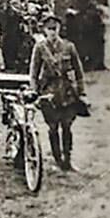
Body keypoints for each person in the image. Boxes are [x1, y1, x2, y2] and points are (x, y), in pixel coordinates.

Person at [30, 15, 86, 172]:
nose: (53, 32)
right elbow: (33, 74)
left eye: (55, 29)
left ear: (59, 29)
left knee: (67, 126)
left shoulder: (69, 47)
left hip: (67, 92)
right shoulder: (40, 48)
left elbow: (79, 72)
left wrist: (81, 92)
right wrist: (34, 92)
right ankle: (58, 159)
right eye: (49, 29)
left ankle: (68, 160)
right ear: (44, 30)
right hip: (49, 92)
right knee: (53, 127)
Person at [71, 0, 108, 71]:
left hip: (97, 16)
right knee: (85, 40)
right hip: (84, 17)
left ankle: (99, 63)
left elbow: (104, 0)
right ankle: (85, 64)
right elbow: (75, 1)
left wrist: (104, 10)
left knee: (99, 39)